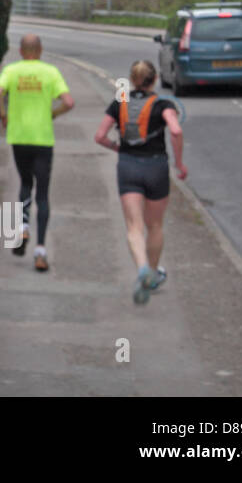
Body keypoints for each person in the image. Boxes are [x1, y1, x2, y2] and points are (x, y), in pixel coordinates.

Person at [93, 59, 187, 305]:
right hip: (156, 167)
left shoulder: (120, 103)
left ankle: (142, 268)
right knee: (155, 225)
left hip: (128, 166)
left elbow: (100, 136)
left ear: (132, 80)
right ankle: (152, 275)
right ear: (154, 79)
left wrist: (117, 147)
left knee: (134, 227)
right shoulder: (163, 104)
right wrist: (179, 163)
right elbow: (175, 131)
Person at [0, 34, 75, 271]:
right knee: (43, 193)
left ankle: (23, 228)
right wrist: (54, 113)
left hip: (19, 137)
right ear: (40, 50)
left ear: (20, 51)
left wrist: (3, 115)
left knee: (26, 182)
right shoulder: (50, 72)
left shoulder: (12, 70)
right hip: (43, 139)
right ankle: (40, 251)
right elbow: (69, 101)